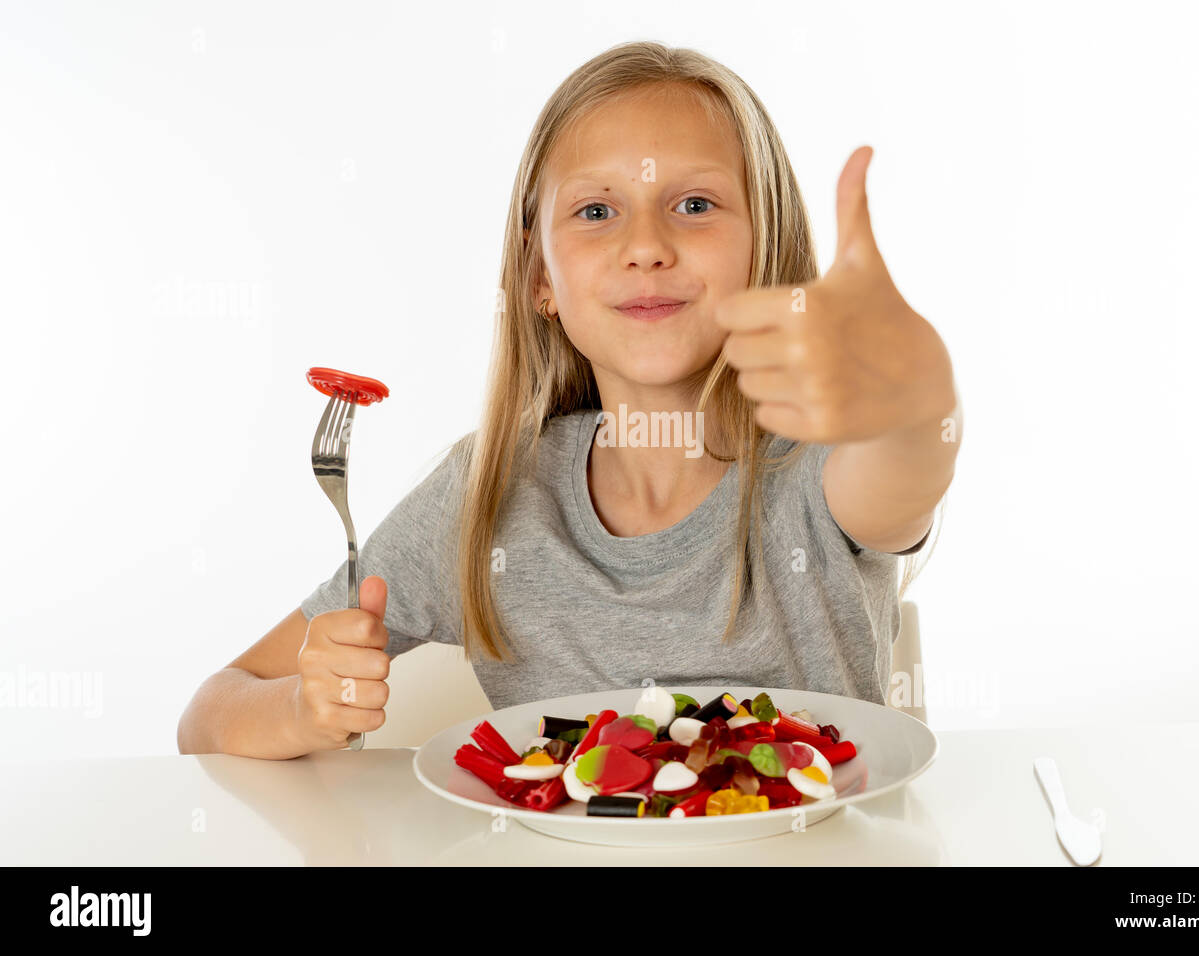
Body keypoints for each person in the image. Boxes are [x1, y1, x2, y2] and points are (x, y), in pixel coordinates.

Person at [177, 41, 962, 760]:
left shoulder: (823, 462)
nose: (646, 245)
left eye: (695, 204)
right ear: (540, 278)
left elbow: (908, 458)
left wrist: (915, 384)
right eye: (596, 211)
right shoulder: (488, 494)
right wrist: (302, 712)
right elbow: (211, 713)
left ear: (769, 244)